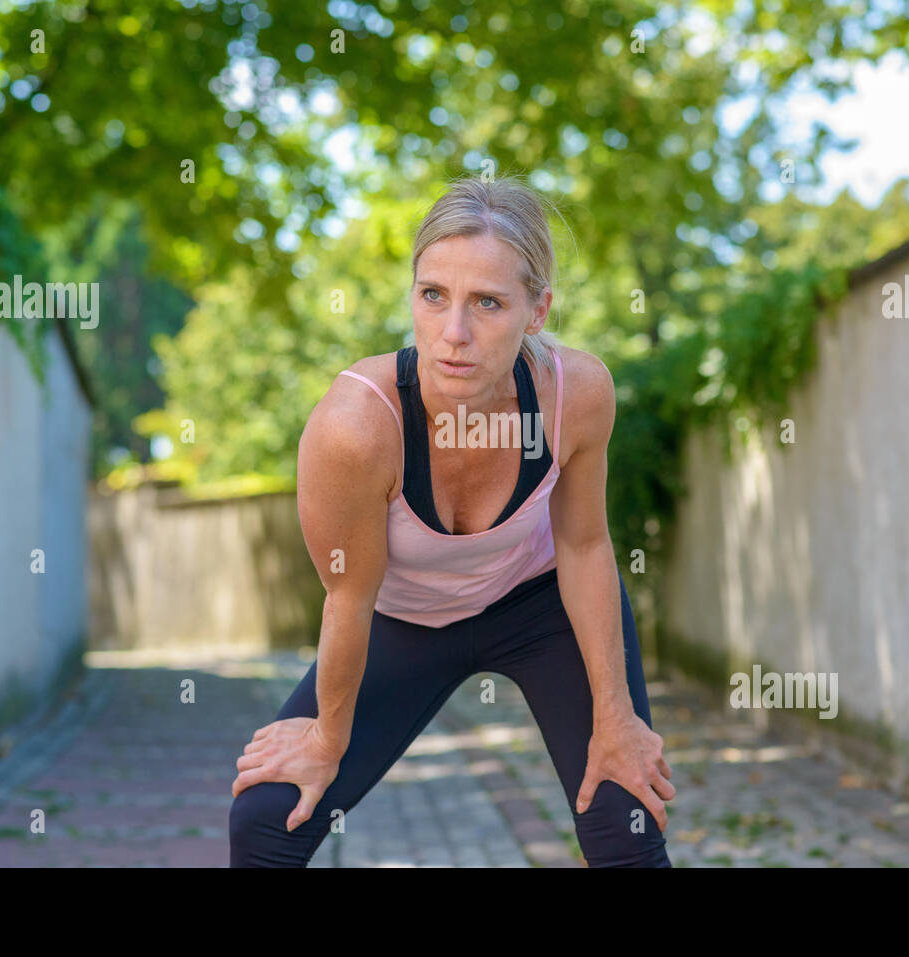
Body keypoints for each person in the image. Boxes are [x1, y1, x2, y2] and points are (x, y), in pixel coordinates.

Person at [228, 174, 675, 867]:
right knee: (268, 815)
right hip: (403, 622)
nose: (453, 333)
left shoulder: (575, 394)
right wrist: (324, 740)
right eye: (433, 295)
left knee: (626, 815)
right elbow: (348, 598)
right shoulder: (357, 426)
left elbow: (585, 544)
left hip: (538, 606)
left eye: (488, 303)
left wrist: (616, 717)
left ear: (537, 311)